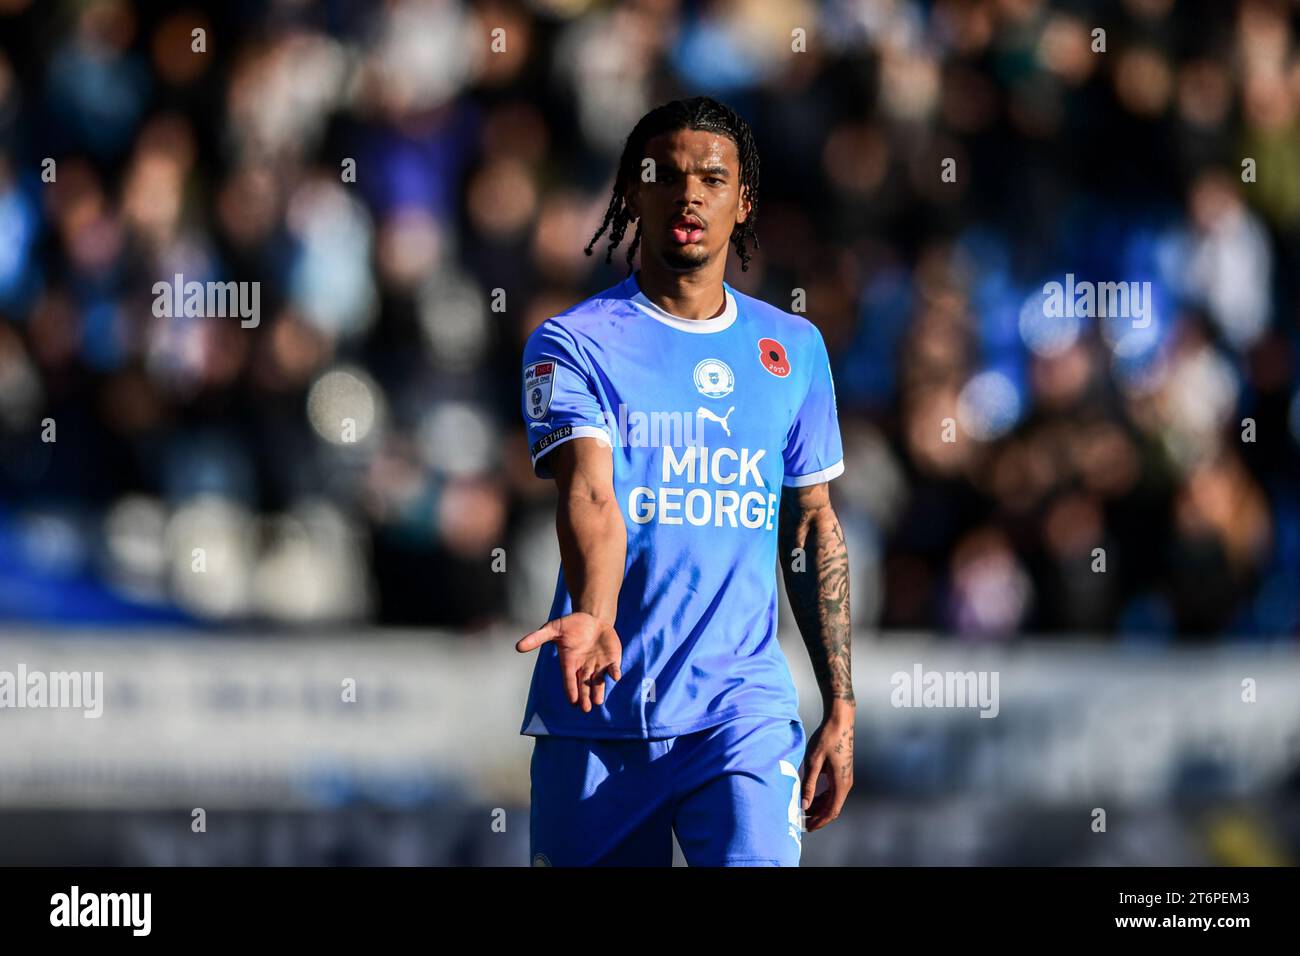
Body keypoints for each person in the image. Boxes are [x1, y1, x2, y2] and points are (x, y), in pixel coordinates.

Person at [516, 97, 853, 866]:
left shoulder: (792, 348)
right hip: (596, 708)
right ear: (631, 195)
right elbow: (590, 493)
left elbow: (809, 525)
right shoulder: (573, 342)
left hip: (741, 711)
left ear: (744, 201)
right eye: (662, 176)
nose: (688, 194)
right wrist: (596, 613)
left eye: (711, 177)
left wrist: (841, 704)